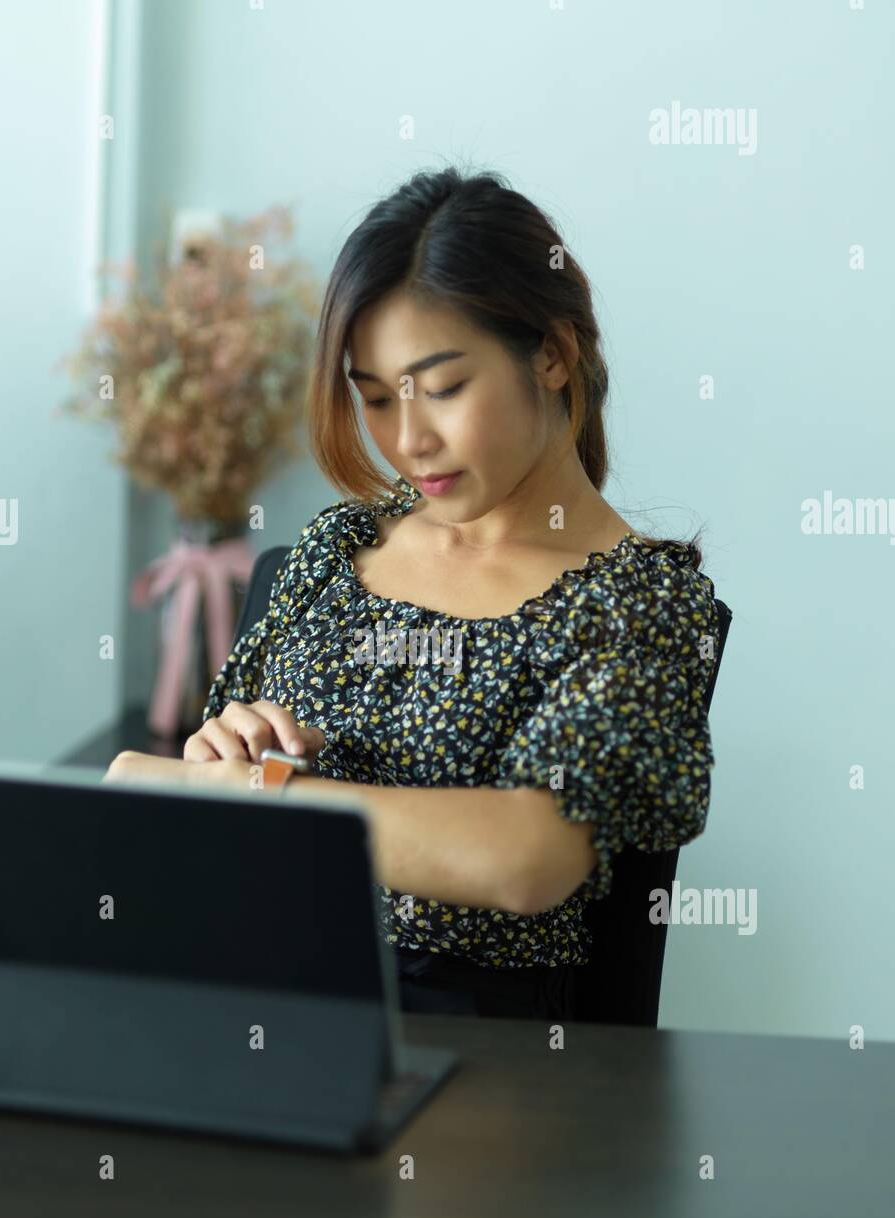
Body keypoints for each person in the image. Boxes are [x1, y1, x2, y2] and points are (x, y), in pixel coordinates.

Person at [115, 166, 722, 1021]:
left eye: (442, 389)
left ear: (552, 351)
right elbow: (216, 800)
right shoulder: (337, 550)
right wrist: (230, 753)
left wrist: (268, 799)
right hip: (254, 994)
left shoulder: (640, 601)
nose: (409, 439)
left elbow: (527, 858)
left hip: (476, 1058)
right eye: (373, 399)